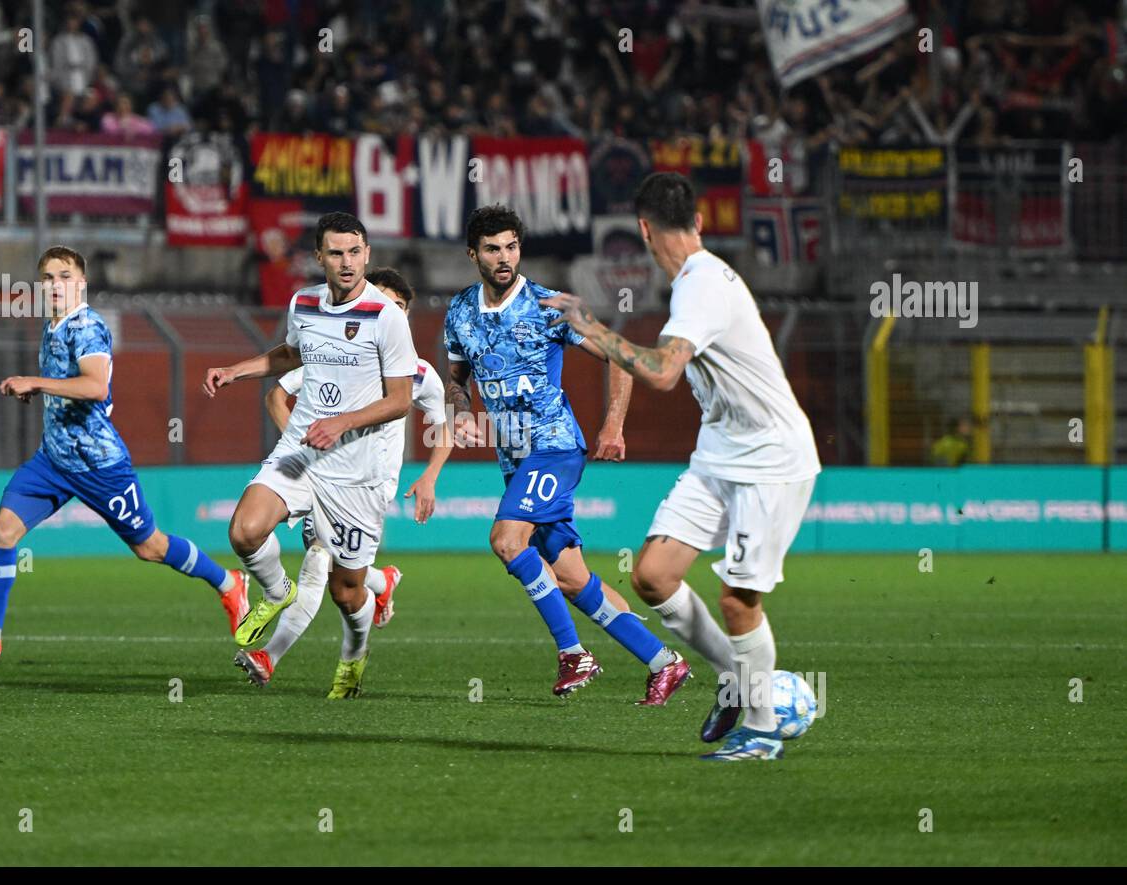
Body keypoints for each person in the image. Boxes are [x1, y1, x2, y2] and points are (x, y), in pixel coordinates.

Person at [545, 172, 821, 760]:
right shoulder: (700, 279)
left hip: (770, 462)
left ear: (643, 230)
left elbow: (665, 373)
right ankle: (738, 680)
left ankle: (765, 727)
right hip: (720, 454)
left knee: (737, 600)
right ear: (696, 222)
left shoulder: (701, 285)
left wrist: (590, 327)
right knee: (652, 576)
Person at [0, 246, 247, 662]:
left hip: (98, 465)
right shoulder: (53, 325)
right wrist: (40, 392)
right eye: (49, 277)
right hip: (53, 461)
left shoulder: (86, 327)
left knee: (150, 547)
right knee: (2, 531)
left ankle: (230, 583)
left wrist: (35, 382)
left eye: (65, 276)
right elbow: (68, 388)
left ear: (82, 283)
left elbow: (95, 387)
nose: (56, 284)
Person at [443, 205, 690, 705]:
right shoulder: (460, 312)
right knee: (572, 578)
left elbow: (618, 356)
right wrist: (460, 409)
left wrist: (613, 425)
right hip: (515, 459)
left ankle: (573, 653)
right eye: (492, 249)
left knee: (508, 541)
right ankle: (666, 662)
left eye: (511, 246)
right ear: (474, 255)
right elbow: (456, 377)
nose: (504, 257)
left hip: (554, 446)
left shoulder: (548, 305)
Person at [202, 214, 417, 698]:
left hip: (355, 472)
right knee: (244, 530)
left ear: (367, 254)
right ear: (319, 257)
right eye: (336, 253)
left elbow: (401, 399)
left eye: (355, 252)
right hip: (302, 450)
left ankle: (356, 650)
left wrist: (342, 422)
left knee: (346, 592)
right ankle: (278, 591)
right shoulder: (304, 302)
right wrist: (237, 370)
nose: (347, 262)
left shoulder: (386, 316)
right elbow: (290, 354)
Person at [258, 267, 453, 697]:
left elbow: (444, 426)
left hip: (368, 486)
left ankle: (355, 636)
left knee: (340, 586)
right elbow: (276, 393)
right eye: (382, 303)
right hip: (318, 473)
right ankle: (271, 653)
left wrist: (430, 477)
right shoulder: (336, 355)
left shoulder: (420, 375)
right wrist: (303, 446)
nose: (388, 314)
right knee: (316, 559)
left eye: (398, 309)